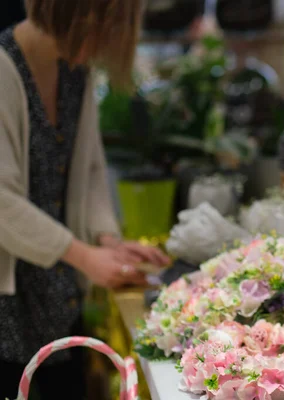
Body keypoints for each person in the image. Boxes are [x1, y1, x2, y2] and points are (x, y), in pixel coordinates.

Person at [0, 1, 170, 398]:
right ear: (77, 16)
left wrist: (107, 240)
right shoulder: (4, 68)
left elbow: (90, 168)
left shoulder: (75, 68)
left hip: (57, 289)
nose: (103, 46)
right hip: (8, 296)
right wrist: (85, 256)